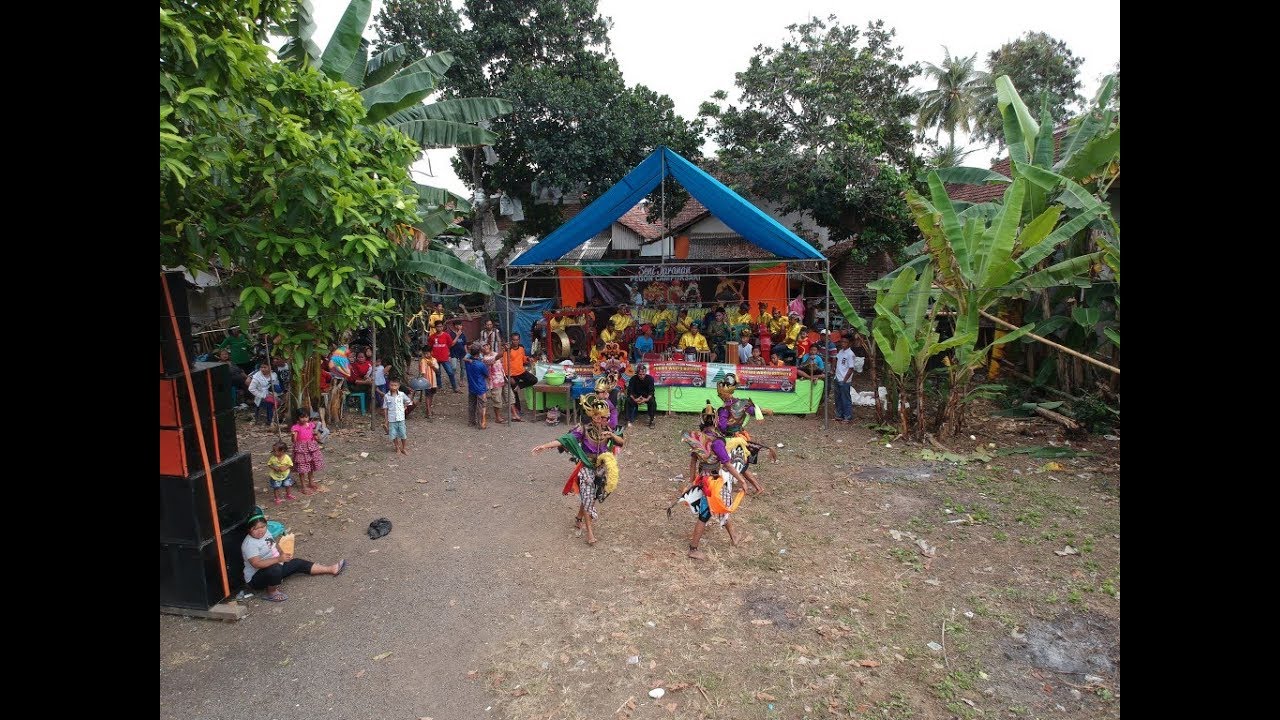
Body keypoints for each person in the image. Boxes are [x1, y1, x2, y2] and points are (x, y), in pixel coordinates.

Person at [531, 395, 625, 547]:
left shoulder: (608, 430)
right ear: (595, 417)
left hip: (601, 470)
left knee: (592, 497)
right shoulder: (583, 430)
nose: (607, 420)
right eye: (603, 418)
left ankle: (578, 518)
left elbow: (621, 442)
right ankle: (590, 533)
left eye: (607, 417)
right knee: (588, 497)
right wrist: (545, 446)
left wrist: (612, 435)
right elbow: (565, 440)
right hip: (587, 469)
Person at [672, 409, 750, 559]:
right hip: (712, 484)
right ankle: (693, 549)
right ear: (716, 421)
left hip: (704, 479)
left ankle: (734, 536)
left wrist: (692, 481)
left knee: (723, 505)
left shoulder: (698, 439)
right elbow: (727, 464)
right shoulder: (717, 442)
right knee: (705, 514)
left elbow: (693, 461)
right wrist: (741, 480)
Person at [241, 508, 345, 603]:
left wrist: (282, 553)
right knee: (275, 569)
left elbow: (273, 545)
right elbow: (256, 564)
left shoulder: (266, 533)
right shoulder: (250, 544)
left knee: (297, 563)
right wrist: (278, 559)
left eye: (263, 526)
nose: (260, 530)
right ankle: (272, 592)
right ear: (249, 529)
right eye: (256, 528)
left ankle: (331, 569)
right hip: (256, 579)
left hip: (273, 566)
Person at [290, 408, 327, 494]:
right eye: (302, 417)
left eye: (306, 417)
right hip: (301, 450)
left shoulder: (310, 425)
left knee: (311, 466)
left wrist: (316, 435)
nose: (304, 419)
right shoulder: (296, 427)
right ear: (297, 418)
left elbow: (314, 435)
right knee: (302, 468)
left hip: (311, 448)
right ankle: (303, 486)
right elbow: (294, 440)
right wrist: (293, 435)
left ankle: (311, 482)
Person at [505, 333, 537, 416]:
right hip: (512, 373)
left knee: (534, 380)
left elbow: (523, 359)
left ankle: (519, 386)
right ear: (511, 340)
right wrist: (509, 376)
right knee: (515, 393)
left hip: (521, 371)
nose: (515, 341)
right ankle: (518, 410)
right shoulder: (508, 350)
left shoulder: (521, 347)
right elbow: (505, 364)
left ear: (519, 340)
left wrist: (528, 359)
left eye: (517, 340)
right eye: (513, 340)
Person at [382, 377, 412, 455]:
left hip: (401, 418)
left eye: (395, 385)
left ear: (398, 386)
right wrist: (386, 420)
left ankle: (404, 448)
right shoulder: (386, 396)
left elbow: (408, 401)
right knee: (393, 434)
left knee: (403, 434)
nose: (393, 387)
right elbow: (385, 408)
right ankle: (397, 447)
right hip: (391, 419)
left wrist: (404, 406)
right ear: (389, 385)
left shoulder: (401, 395)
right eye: (392, 385)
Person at [464, 343, 490, 429]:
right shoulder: (481, 364)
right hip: (480, 388)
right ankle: (481, 424)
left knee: (472, 405)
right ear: (479, 352)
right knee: (481, 406)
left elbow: (465, 358)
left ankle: (471, 422)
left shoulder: (468, 362)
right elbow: (487, 375)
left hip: (471, 387)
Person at [833, 336, 857, 423]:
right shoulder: (841, 352)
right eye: (842, 342)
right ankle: (839, 415)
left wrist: (845, 380)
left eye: (845, 342)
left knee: (845, 398)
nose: (843, 344)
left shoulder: (850, 354)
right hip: (838, 377)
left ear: (849, 343)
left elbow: (851, 368)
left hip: (844, 379)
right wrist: (833, 369)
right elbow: (836, 359)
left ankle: (847, 416)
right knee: (838, 398)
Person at [429, 322, 457, 392]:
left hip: (445, 358)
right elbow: (429, 347)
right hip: (435, 358)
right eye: (438, 326)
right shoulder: (432, 337)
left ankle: (455, 387)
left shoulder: (446, 335)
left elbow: (450, 344)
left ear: (443, 327)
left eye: (441, 326)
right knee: (437, 373)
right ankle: (439, 386)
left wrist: (447, 352)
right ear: (435, 327)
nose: (439, 328)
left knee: (450, 372)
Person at [626, 363, 656, 428]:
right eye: (640, 374)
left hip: (646, 396)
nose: (642, 376)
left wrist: (646, 399)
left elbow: (652, 392)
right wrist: (634, 399)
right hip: (636, 396)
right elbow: (630, 391)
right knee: (628, 400)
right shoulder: (633, 379)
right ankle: (629, 420)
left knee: (652, 401)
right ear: (637, 373)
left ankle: (652, 420)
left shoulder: (650, 379)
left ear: (646, 373)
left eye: (643, 374)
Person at [448, 319, 467, 394]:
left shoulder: (463, 334)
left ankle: (461, 381)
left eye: (461, 325)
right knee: (454, 367)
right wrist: (457, 335)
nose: (461, 326)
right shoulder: (451, 334)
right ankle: (453, 382)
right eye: (460, 325)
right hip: (453, 353)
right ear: (455, 326)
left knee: (463, 367)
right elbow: (452, 344)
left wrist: (466, 353)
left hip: (462, 353)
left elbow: (465, 344)